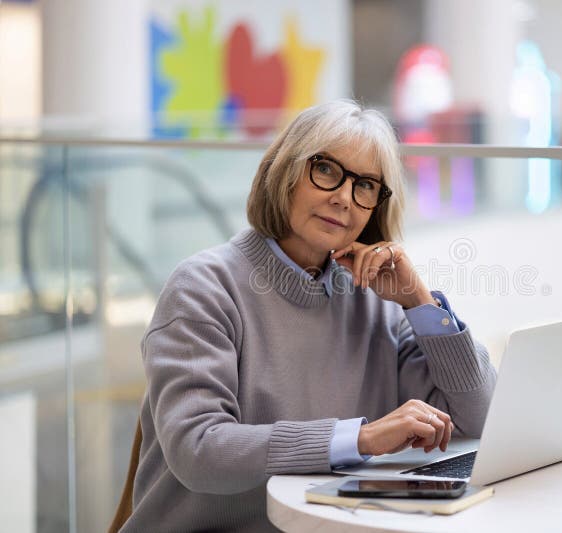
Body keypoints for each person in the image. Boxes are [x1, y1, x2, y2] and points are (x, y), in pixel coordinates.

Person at [119, 100, 497, 532]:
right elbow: (199, 449)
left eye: (366, 185)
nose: (342, 198)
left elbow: (479, 418)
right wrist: (359, 439)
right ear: (285, 174)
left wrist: (419, 302)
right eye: (326, 170)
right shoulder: (203, 287)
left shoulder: (375, 301)